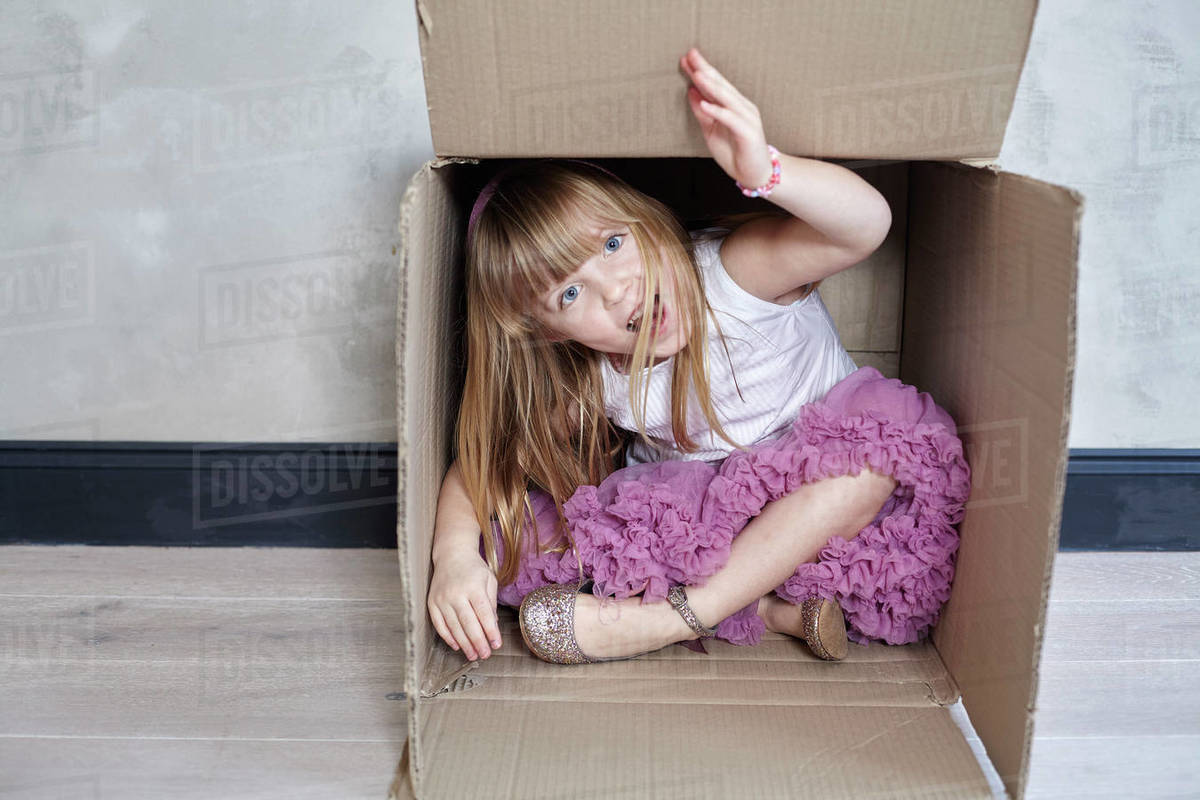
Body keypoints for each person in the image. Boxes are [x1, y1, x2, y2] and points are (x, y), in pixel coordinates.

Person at [427, 47, 970, 665]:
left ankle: (664, 622)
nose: (616, 288)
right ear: (545, 331)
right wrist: (453, 559)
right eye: (570, 293)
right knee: (510, 541)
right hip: (712, 535)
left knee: (879, 455)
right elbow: (482, 468)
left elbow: (865, 226)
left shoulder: (733, 277)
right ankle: (762, 608)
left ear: (645, 219)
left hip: (829, 518)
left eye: (611, 243)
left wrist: (767, 170)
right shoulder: (594, 377)